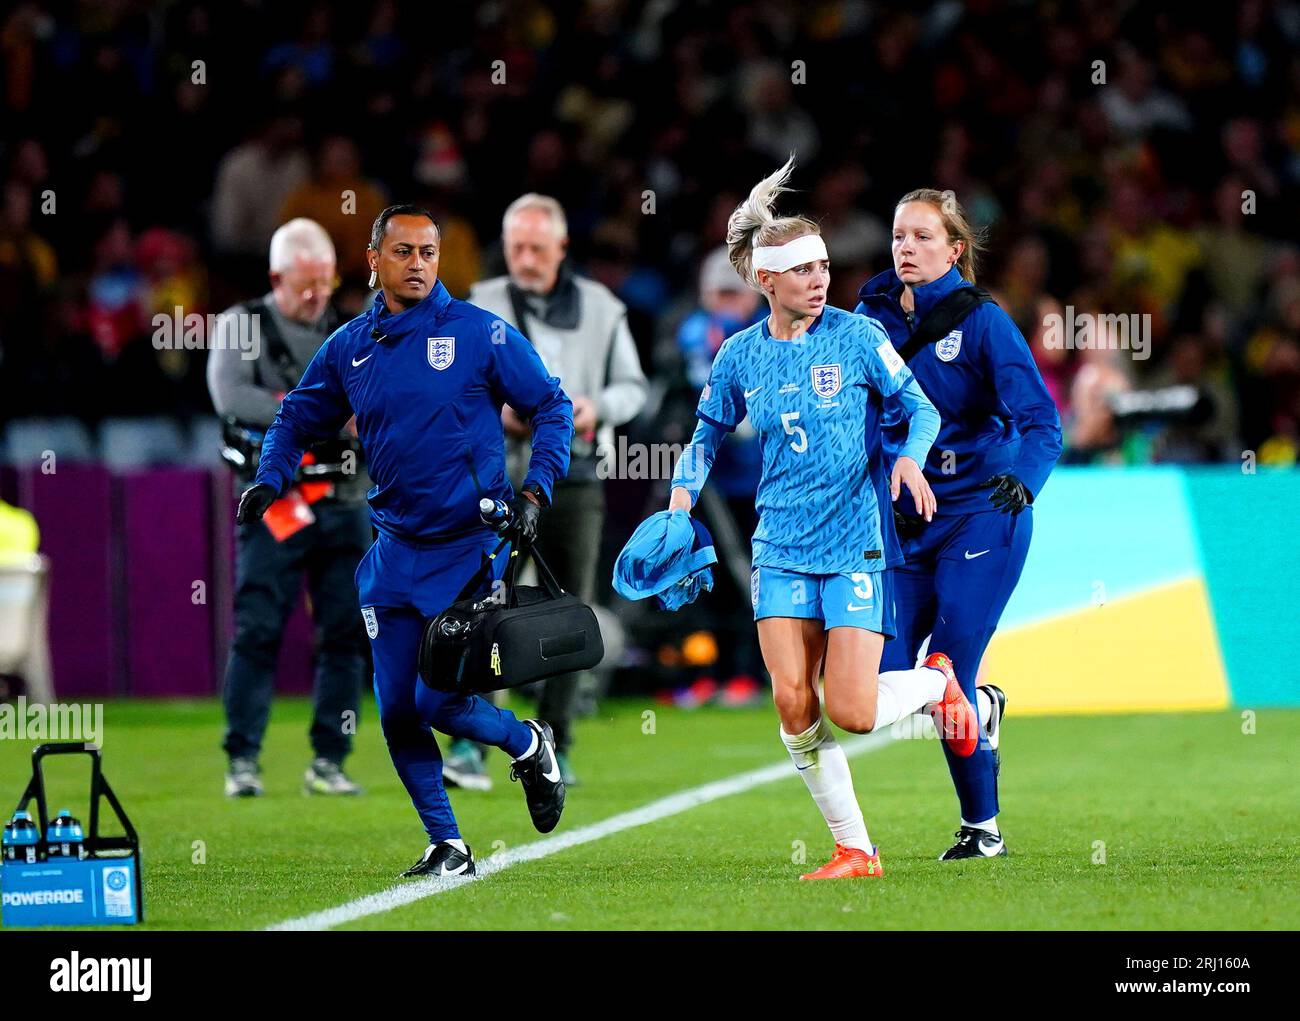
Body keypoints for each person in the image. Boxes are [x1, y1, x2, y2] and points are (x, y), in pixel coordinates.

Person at [236, 204, 574, 878]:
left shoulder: (482, 334)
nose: (418, 263)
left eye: (428, 252)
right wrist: (271, 478)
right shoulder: (348, 347)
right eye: (403, 252)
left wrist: (536, 490)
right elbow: (296, 417)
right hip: (391, 550)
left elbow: (552, 404)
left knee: (437, 699)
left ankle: (527, 742)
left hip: (471, 544)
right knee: (394, 709)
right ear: (373, 259)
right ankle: (448, 843)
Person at [669, 160, 977, 881]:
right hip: (778, 544)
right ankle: (855, 848)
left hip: (852, 544)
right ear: (767, 281)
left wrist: (909, 459)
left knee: (856, 712)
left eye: (824, 266)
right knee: (790, 699)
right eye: (802, 270)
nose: (818, 279)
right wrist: (679, 504)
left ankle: (936, 679)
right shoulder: (739, 354)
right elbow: (705, 433)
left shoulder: (858, 336)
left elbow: (920, 408)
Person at [855, 189, 1063, 860]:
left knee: (946, 667)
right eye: (898, 236)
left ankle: (983, 829)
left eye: (921, 236)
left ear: (954, 249)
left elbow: (1043, 420)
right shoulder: (868, 313)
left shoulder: (983, 322)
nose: (905, 247)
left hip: (982, 512)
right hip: (904, 520)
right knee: (869, 691)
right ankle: (982, 705)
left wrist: (1023, 482)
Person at [463, 193, 648, 787]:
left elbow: (633, 388)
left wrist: (598, 406)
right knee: (478, 606)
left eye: (537, 248)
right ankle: (472, 739)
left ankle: (556, 740)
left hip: (575, 474)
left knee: (570, 612)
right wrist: (499, 411)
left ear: (562, 248)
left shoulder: (601, 307)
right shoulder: (479, 304)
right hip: (497, 475)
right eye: (516, 246)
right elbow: (457, 387)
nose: (525, 258)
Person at [207, 218, 370, 799]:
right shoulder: (242, 325)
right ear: (277, 277)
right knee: (258, 628)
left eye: (326, 283)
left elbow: (375, 401)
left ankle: (330, 759)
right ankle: (242, 759)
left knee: (347, 632)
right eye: (306, 284)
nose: (318, 295)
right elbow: (232, 396)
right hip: (273, 502)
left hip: (344, 497)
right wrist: (313, 410)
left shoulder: (351, 328)